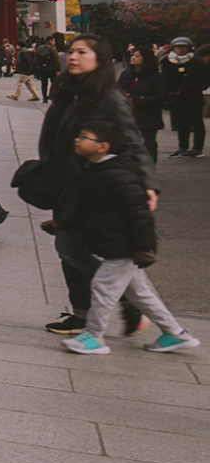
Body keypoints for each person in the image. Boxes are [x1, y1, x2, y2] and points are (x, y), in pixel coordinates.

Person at [36, 35, 149, 337]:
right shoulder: (70, 91)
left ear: (100, 60)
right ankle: (88, 311)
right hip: (67, 185)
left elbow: (135, 145)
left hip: (95, 187)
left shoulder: (110, 98)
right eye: (71, 51)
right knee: (70, 249)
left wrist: (148, 187)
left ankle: (123, 304)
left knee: (71, 247)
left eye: (81, 52)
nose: (72, 57)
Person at [55, 119, 197, 355]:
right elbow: (88, 210)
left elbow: (140, 215)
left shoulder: (118, 175)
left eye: (84, 137)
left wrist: (144, 248)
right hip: (117, 244)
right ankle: (175, 333)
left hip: (124, 247)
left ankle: (94, 337)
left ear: (102, 147)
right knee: (140, 293)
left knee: (102, 287)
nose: (77, 140)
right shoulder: (95, 170)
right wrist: (62, 223)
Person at [118, 44, 167, 167]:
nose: (133, 58)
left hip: (149, 113)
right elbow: (118, 89)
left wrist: (142, 99)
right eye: (133, 55)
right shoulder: (126, 74)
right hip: (129, 113)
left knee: (148, 143)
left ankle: (149, 167)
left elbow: (161, 95)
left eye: (137, 56)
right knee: (129, 143)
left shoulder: (156, 76)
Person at [160, 37, 207, 158]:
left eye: (183, 47)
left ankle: (197, 148)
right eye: (178, 47)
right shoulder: (167, 61)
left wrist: (196, 87)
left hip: (193, 97)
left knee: (197, 123)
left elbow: (205, 79)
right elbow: (164, 78)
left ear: (189, 48)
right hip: (176, 97)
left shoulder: (196, 61)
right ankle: (182, 147)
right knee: (181, 124)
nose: (180, 49)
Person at [34, 37, 59, 103]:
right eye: (53, 41)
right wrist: (58, 69)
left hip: (42, 69)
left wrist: (38, 68)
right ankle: (52, 96)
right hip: (52, 69)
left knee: (44, 84)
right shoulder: (52, 48)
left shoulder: (39, 48)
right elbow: (56, 60)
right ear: (50, 41)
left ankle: (44, 98)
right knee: (54, 83)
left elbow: (35, 59)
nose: (54, 42)